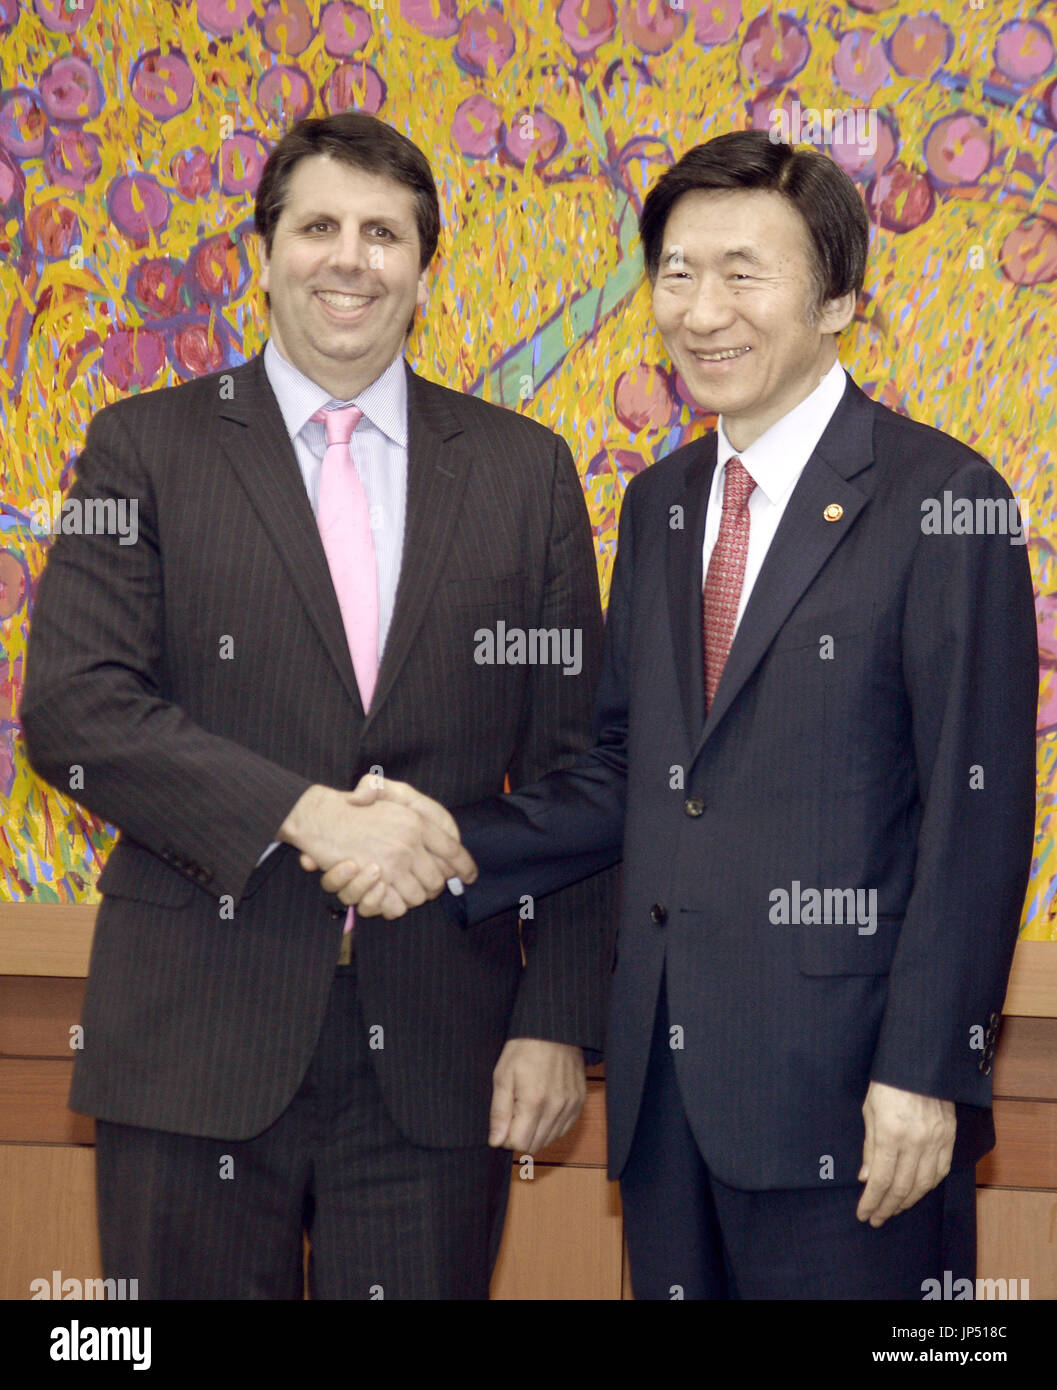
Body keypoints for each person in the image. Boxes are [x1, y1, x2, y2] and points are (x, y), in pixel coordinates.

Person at [330, 131, 1038, 1299]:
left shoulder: (943, 501)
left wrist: (929, 1072)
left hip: (855, 1101)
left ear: (840, 300)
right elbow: (630, 771)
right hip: (668, 1098)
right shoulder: (660, 505)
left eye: (743, 273)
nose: (702, 310)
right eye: (675, 271)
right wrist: (445, 840)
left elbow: (979, 813)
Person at [20, 112, 613, 1300]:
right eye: (321, 226)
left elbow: (581, 773)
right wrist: (310, 815)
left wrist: (554, 1019)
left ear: (422, 268)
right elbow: (76, 711)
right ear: (264, 251)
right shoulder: (142, 448)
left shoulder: (522, 467)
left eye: (384, 232)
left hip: (442, 1051)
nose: (351, 258)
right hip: (193, 1041)